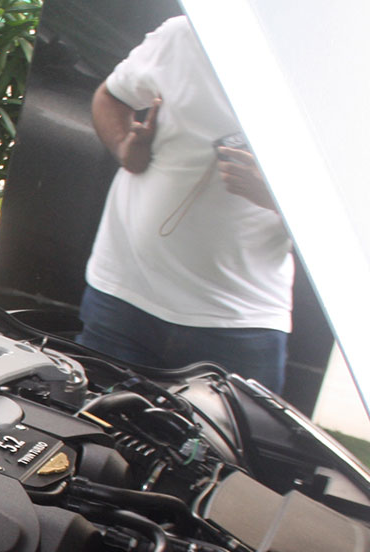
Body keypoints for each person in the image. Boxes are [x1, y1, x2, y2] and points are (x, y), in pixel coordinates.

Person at [77, 15, 293, 392]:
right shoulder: (187, 34)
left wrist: (280, 197)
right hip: (122, 294)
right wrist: (124, 146)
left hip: (238, 322)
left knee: (224, 451)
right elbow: (111, 97)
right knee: (94, 435)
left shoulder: (344, 77)